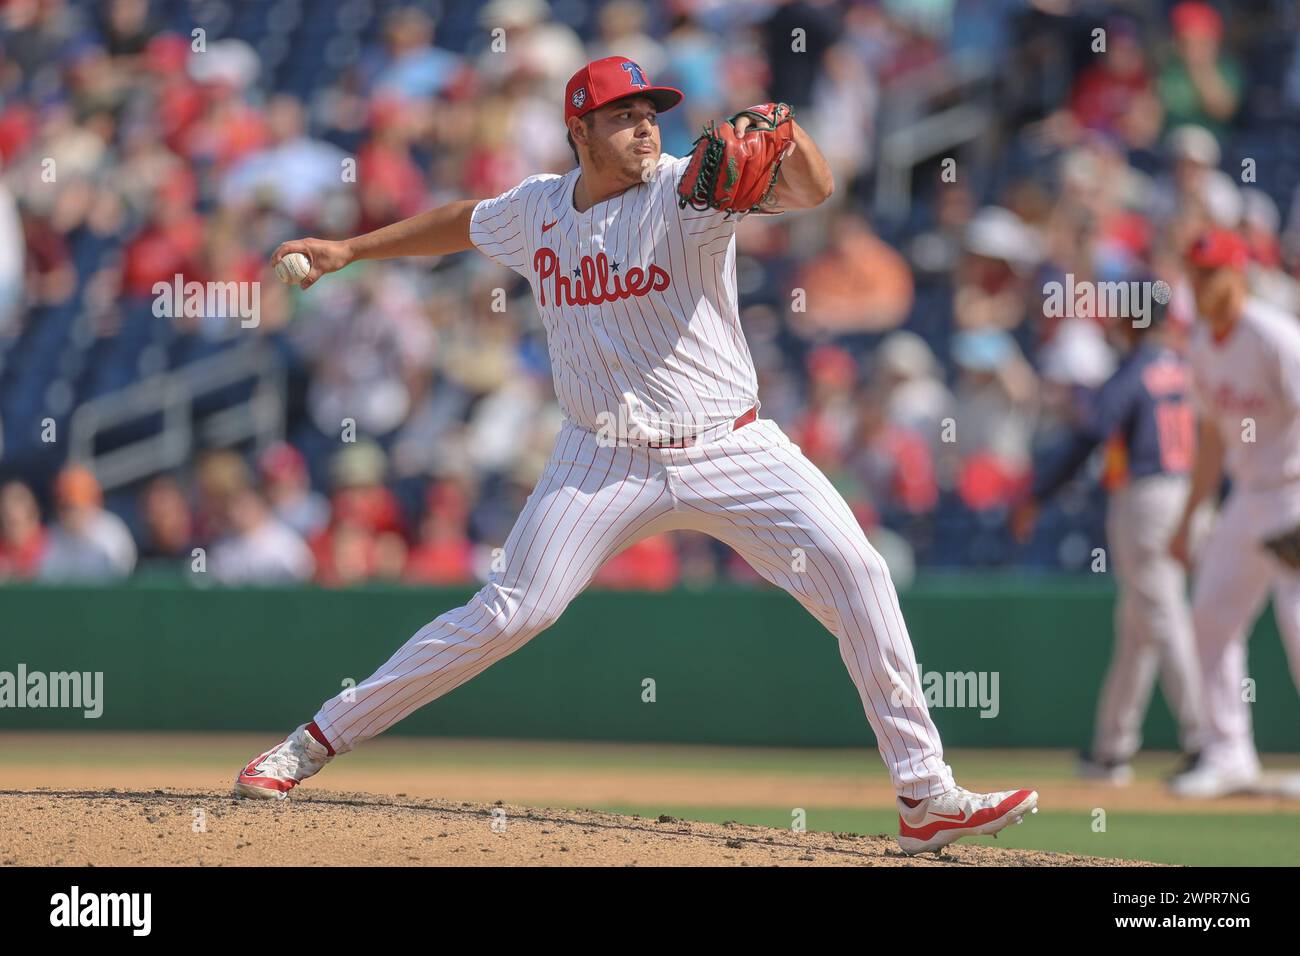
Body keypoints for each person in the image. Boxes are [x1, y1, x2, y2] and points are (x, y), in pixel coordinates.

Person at [234, 56, 1037, 855]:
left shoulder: (691, 188)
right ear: (578, 130)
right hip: (601, 457)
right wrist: (351, 249)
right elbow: (463, 220)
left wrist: (790, 130)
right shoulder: (538, 208)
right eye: (622, 114)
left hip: (731, 444)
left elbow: (812, 191)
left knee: (859, 575)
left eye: (650, 110)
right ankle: (310, 744)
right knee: (513, 612)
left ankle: (925, 793)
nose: (645, 124)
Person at [1011, 294, 1204, 783]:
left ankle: (1208, 740)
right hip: (1190, 494)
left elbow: (1090, 434)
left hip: (1147, 499)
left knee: (1163, 616)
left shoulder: (1134, 371)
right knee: (1138, 626)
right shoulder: (1186, 368)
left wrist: (1038, 493)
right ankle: (1111, 750)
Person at [1166, 229, 1300, 798]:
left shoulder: (1275, 336)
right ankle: (1228, 756)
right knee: (1211, 615)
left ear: (1237, 274)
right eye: (1194, 273)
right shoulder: (1200, 340)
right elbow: (1213, 438)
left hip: (1294, 492)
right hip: (1249, 498)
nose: (1200, 284)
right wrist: (1189, 516)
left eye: (1211, 273)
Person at [38, 465, 136, 582]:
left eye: (77, 507)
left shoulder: (113, 534)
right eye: (65, 508)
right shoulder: (51, 537)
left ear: (94, 504)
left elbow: (121, 581)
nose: (71, 515)